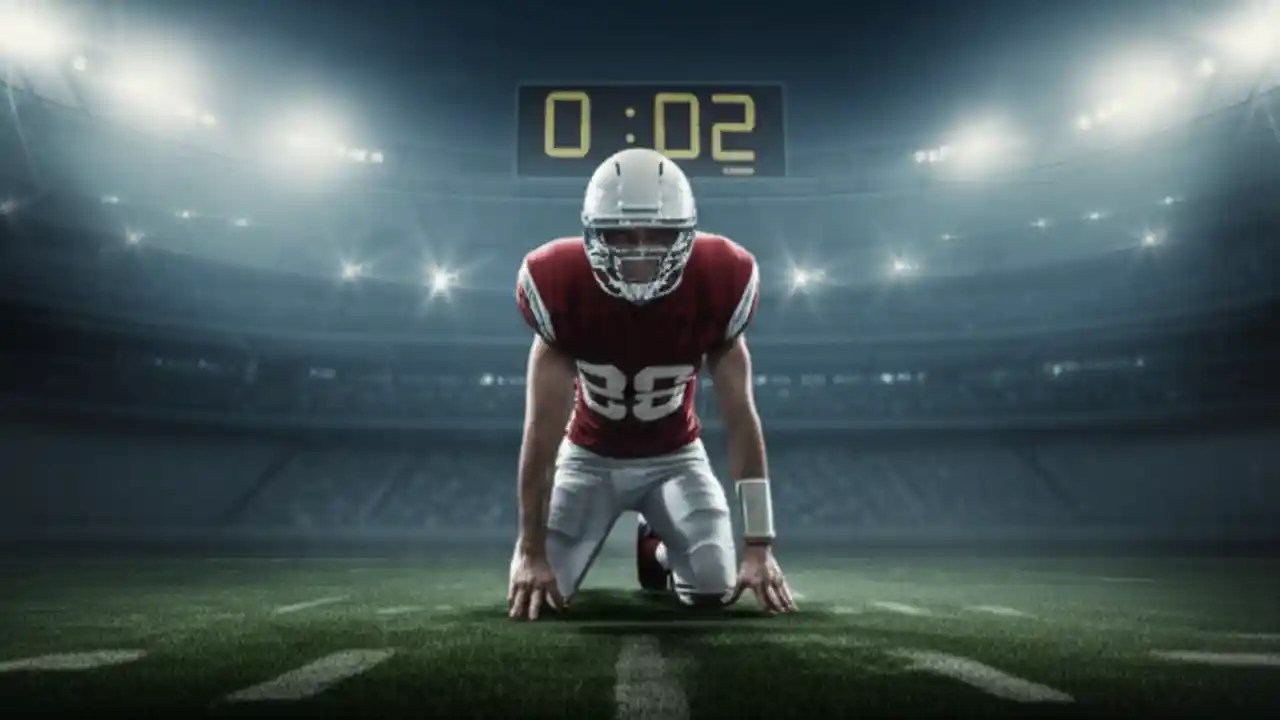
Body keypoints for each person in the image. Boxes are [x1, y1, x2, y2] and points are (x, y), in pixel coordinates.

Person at [507, 147, 797, 620]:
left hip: (675, 457)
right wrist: (529, 550)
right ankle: (638, 532)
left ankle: (655, 547)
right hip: (588, 457)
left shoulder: (721, 278)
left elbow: (742, 420)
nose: (639, 252)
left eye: (658, 235)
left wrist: (759, 546)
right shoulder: (559, 283)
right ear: (593, 234)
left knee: (712, 586)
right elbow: (540, 433)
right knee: (544, 590)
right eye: (621, 235)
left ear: (686, 235)